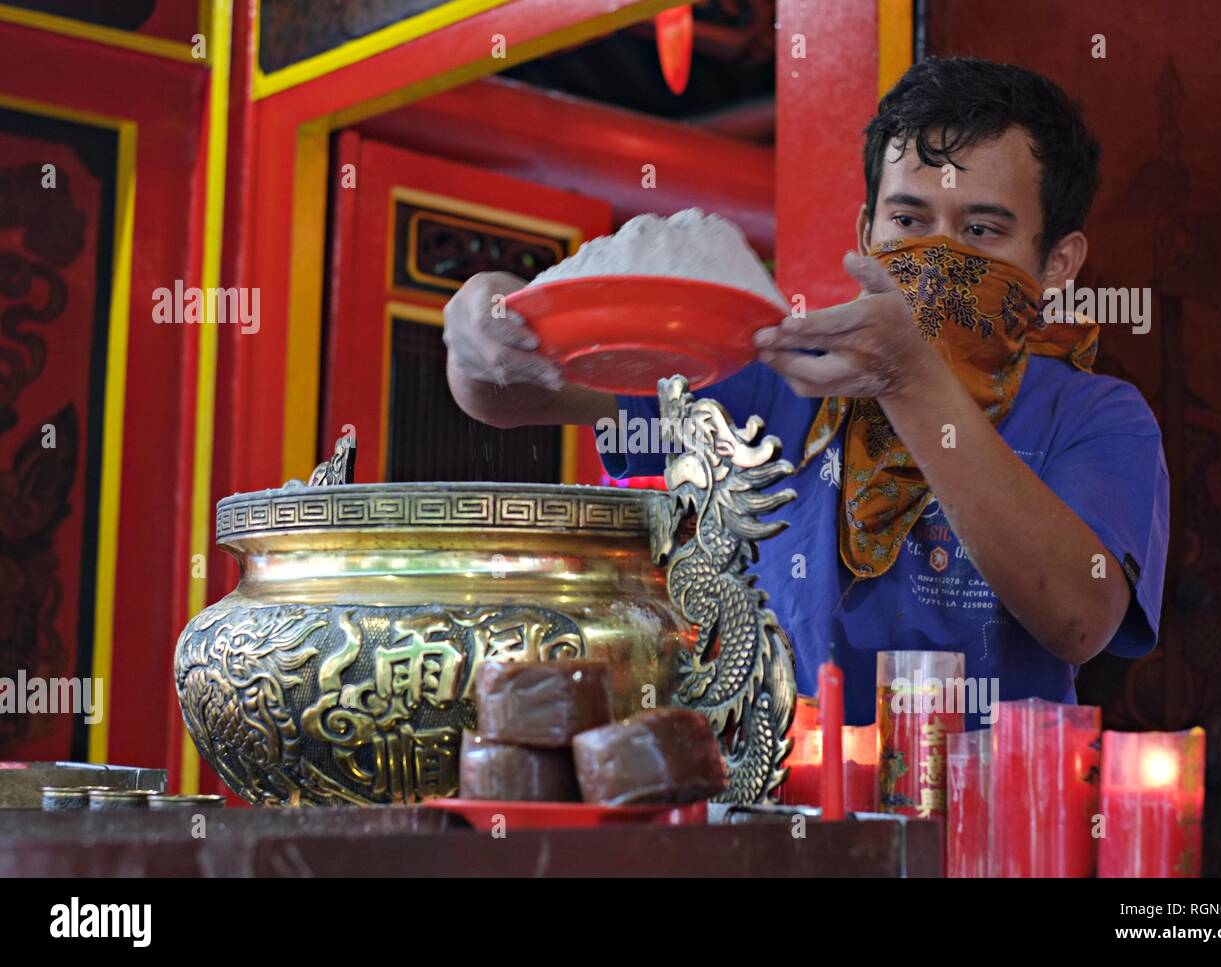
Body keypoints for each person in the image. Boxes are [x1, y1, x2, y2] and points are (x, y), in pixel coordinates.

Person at [442, 57, 1170, 728]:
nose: (936, 258)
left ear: (1056, 264)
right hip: (785, 810)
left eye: (980, 230)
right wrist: (488, 321)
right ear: (866, 230)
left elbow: (1080, 620)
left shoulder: (1096, 415)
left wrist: (909, 381)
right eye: (910, 221)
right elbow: (512, 397)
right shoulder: (777, 372)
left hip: (992, 826)